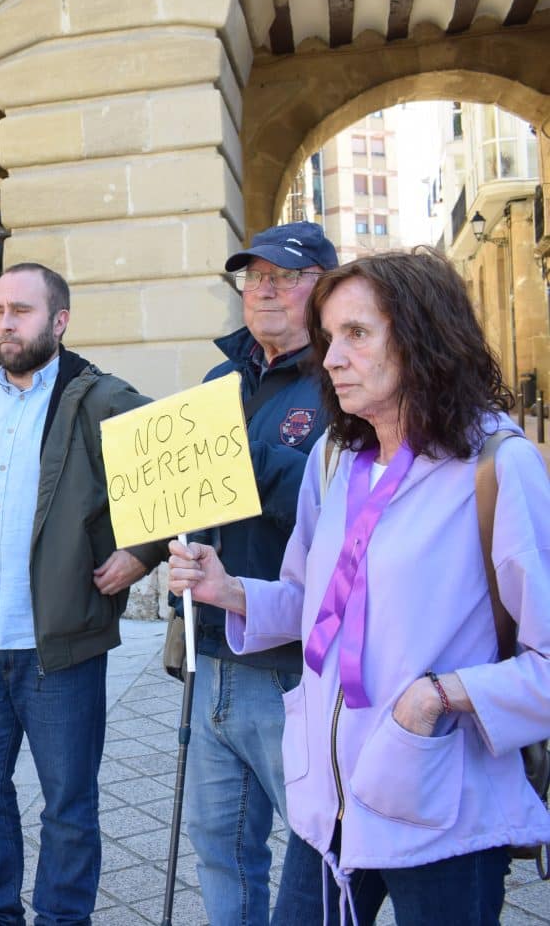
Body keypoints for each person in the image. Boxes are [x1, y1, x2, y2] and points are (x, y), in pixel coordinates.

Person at [169, 249, 550, 925]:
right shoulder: (335, 459)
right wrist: (229, 591)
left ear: (424, 339)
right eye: (329, 338)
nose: (333, 358)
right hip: (330, 805)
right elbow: (312, 606)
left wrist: (435, 698)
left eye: (357, 334)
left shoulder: (498, 467)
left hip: (439, 807)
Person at [0, 262, 167, 925]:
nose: (6, 323)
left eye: (22, 311)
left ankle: (62, 919)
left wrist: (141, 552)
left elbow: (174, 468)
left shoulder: (100, 399)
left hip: (60, 645)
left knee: (68, 805)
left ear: (59, 321)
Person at [182, 221, 336, 926]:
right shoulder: (220, 379)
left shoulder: (341, 381)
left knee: (317, 849)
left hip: (291, 664)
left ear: (323, 288)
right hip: (212, 650)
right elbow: (192, 495)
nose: (265, 289)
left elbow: (341, 509)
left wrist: (245, 459)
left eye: (285, 276)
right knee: (218, 847)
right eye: (254, 276)